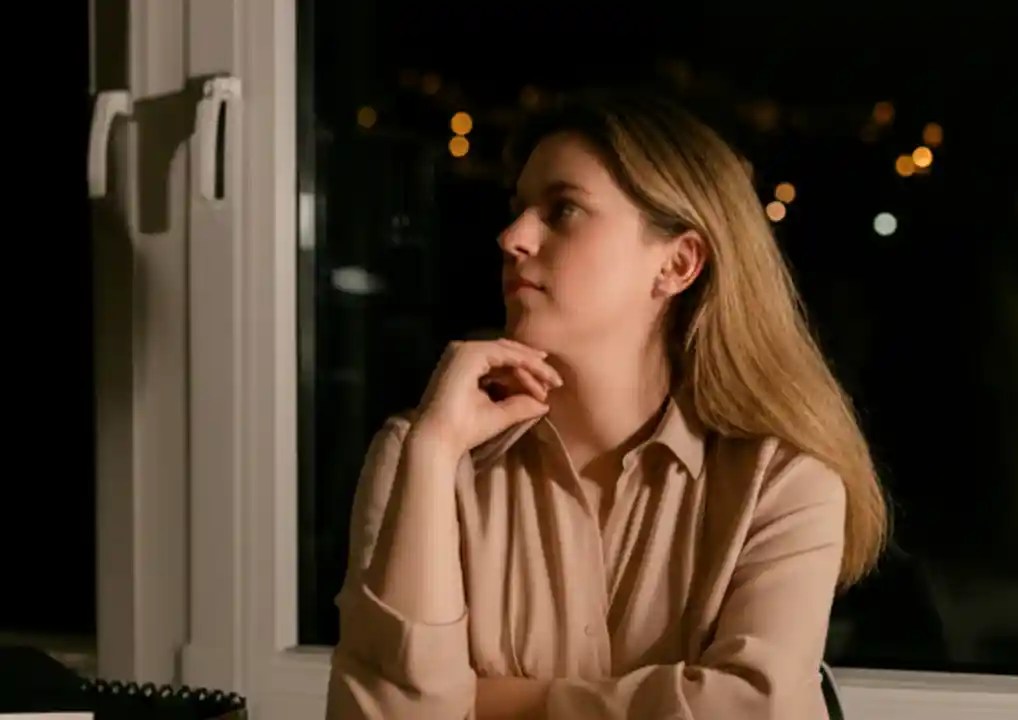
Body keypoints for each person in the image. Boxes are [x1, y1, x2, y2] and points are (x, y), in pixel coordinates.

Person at [324, 90, 888, 720]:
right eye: (517, 210)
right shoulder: (423, 457)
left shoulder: (781, 482)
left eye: (563, 209)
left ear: (677, 264)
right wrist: (430, 453)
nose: (512, 236)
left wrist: (484, 704)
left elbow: (756, 711)